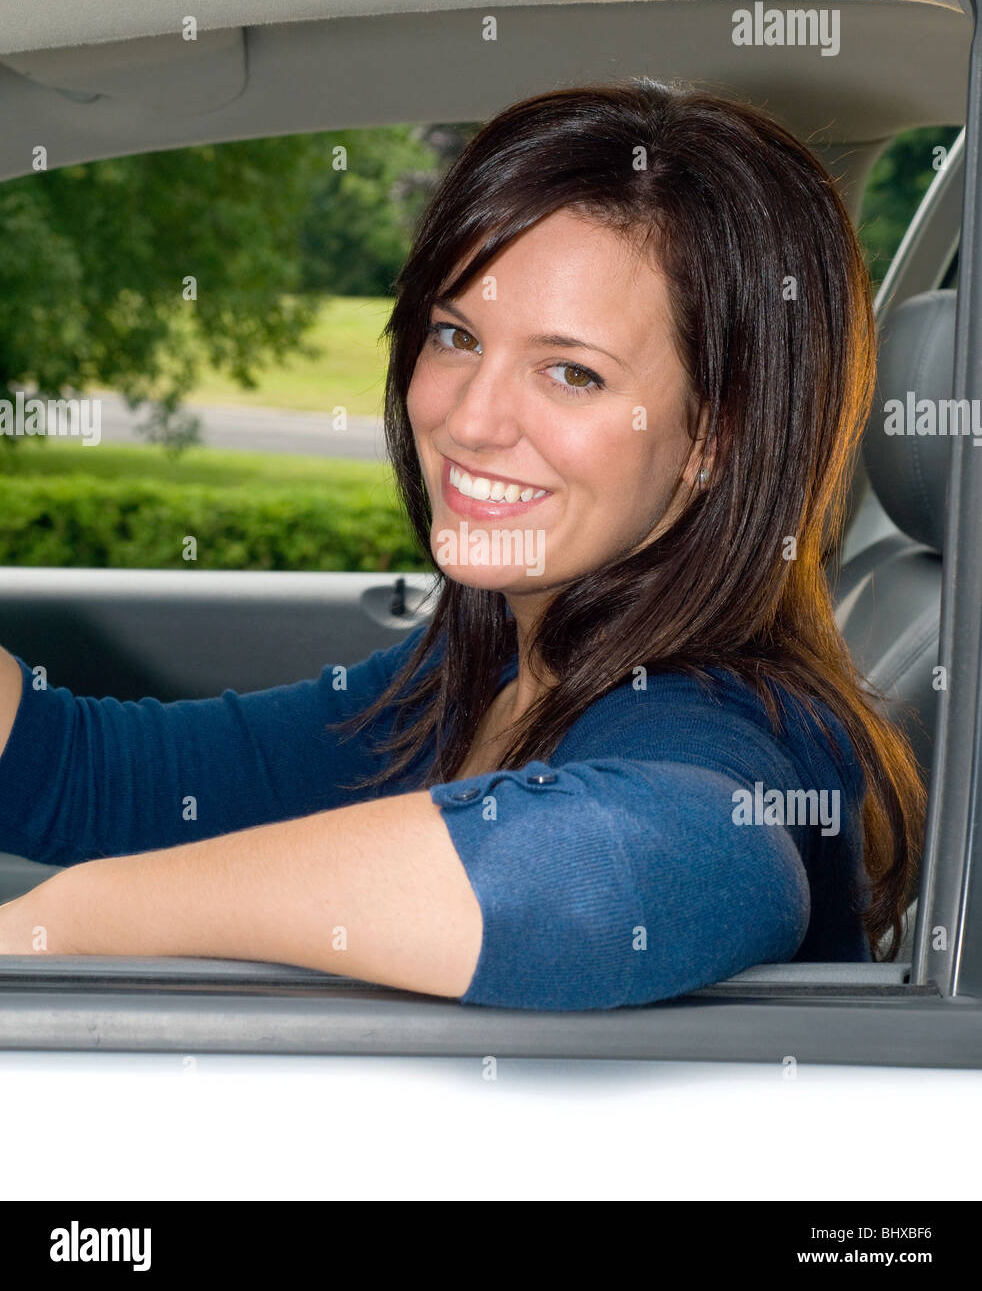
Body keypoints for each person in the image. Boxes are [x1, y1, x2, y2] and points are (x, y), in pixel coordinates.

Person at [0, 78, 925, 1010]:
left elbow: (596, 883)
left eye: (571, 373)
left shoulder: (730, 720)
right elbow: (89, 774)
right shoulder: (481, 670)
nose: (470, 420)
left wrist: (75, 919)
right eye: (455, 335)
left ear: (716, 438)